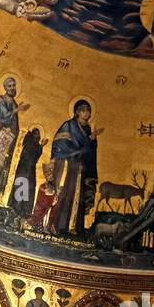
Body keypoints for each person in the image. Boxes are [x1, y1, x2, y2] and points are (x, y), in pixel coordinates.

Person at [47, 100, 102, 236]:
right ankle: (58, 224)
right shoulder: (69, 126)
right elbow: (60, 145)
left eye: (89, 110)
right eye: (84, 110)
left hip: (83, 169)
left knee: (80, 196)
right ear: (77, 112)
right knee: (68, 193)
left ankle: (75, 227)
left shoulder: (88, 129)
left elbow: (90, 151)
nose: (87, 113)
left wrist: (93, 139)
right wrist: (79, 149)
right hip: (71, 166)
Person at [10, 127, 44, 217]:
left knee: (30, 188)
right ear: (32, 134)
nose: (37, 135)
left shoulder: (35, 145)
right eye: (36, 133)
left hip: (30, 170)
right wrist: (41, 146)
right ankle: (17, 209)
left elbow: (35, 159)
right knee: (21, 186)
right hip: (24, 169)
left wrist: (40, 146)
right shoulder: (29, 142)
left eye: (38, 134)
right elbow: (30, 157)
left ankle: (25, 210)